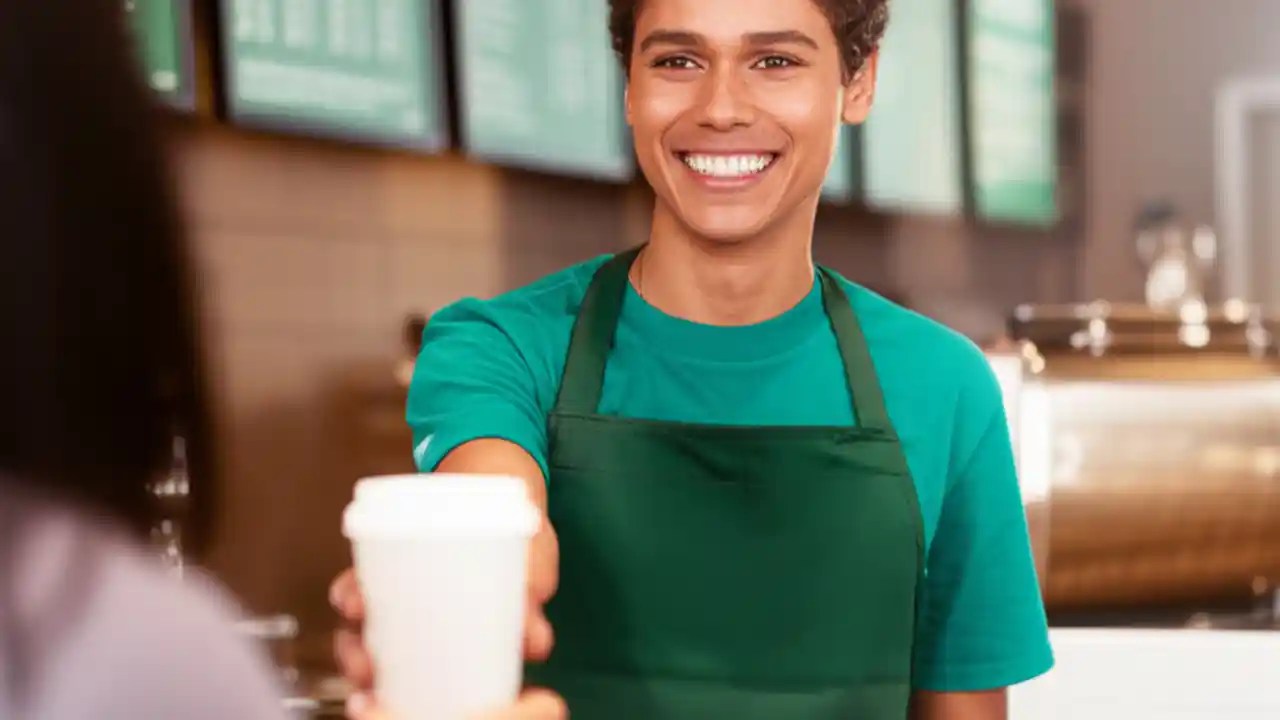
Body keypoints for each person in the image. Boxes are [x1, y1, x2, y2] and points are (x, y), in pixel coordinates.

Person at [333, 0, 1054, 717]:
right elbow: (498, 517)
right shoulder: (503, 349)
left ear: (858, 81)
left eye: (774, 62)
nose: (721, 108)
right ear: (629, 88)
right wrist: (463, 590)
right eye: (678, 61)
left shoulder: (944, 386)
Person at [0, 2, 564, 720]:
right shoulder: (102, 637)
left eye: (762, 61)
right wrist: (485, 586)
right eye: (677, 60)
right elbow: (498, 498)